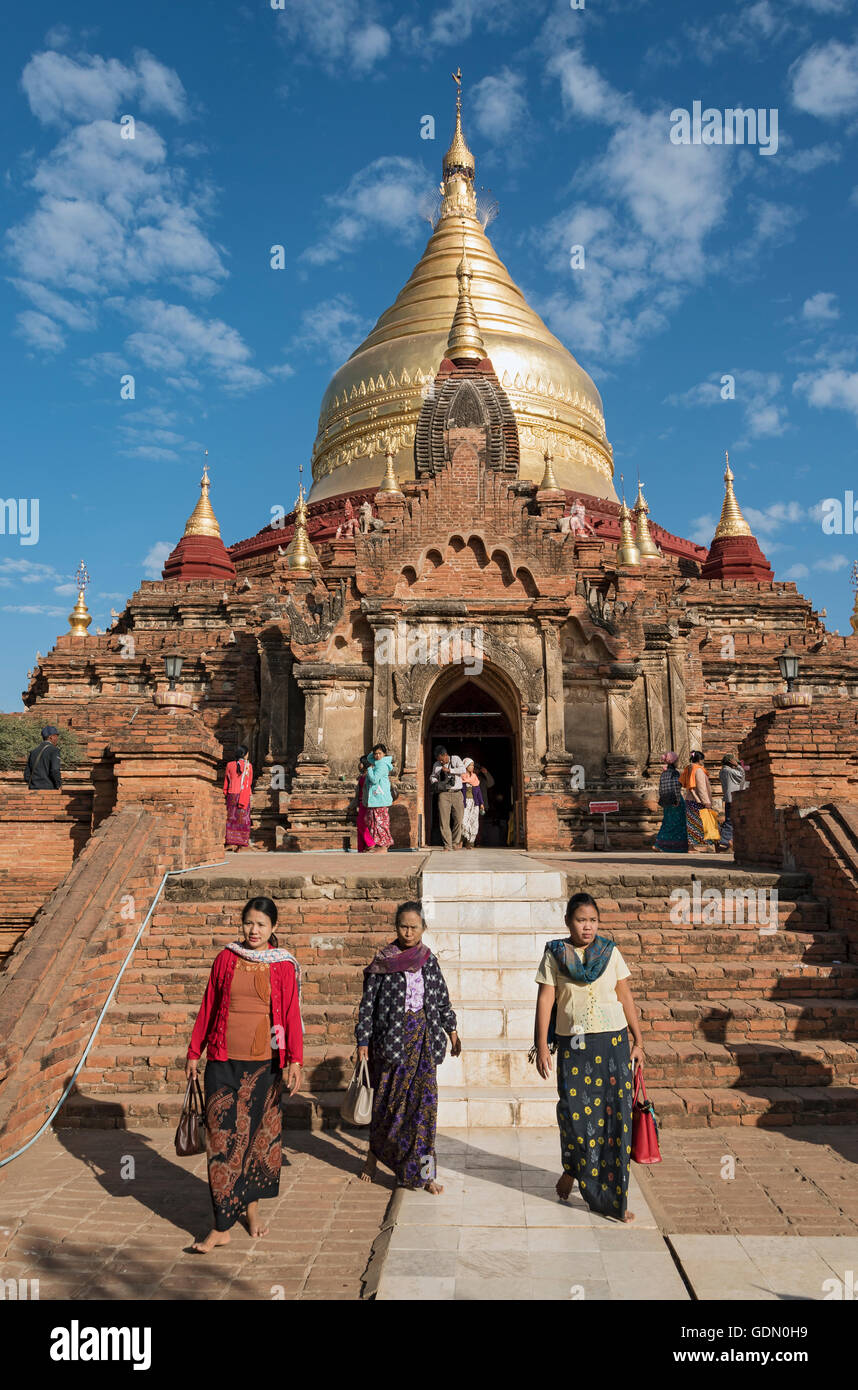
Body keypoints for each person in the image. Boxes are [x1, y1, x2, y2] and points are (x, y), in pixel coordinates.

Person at [185, 896, 303, 1253]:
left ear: (274, 929)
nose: (254, 930)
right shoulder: (226, 958)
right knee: (220, 1141)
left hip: (265, 1063)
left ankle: (251, 1211)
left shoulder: (282, 965)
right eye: (249, 923)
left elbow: (292, 1013)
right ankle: (221, 1225)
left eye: (261, 925)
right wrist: (195, 1051)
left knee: (256, 1141)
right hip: (223, 1060)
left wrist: (294, 1059)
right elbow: (209, 1005)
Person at [534, 892, 643, 1223]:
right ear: (568, 921)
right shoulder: (555, 954)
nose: (588, 926)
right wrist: (541, 1045)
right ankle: (575, 1167)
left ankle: (613, 1201)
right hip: (576, 1044)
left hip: (613, 1042)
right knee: (575, 1115)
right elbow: (546, 1000)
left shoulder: (610, 953)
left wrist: (638, 1039)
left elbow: (624, 994)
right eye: (581, 920)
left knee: (615, 1120)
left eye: (593, 920)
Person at [357, 901, 460, 1194]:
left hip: (424, 1042)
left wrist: (452, 1031)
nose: (408, 931)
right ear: (395, 926)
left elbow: (441, 999)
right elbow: (367, 1005)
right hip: (391, 1043)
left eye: (414, 927)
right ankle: (373, 1157)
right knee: (388, 1106)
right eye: (403, 926)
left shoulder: (428, 960)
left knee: (424, 1110)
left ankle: (425, 1174)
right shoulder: (383, 962)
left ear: (423, 928)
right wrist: (363, 1040)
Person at [681, 750, 720, 852]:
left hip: (690, 800)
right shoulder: (698, 770)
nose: (703, 761)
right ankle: (699, 847)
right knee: (702, 824)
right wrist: (706, 801)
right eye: (703, 759)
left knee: (692, 824)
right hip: (698, 801)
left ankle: (692, 847)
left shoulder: (689, 769)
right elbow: (701, 787)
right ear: (699, 759)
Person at [429, 745, 467, 850]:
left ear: (445, 755)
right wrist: (436, 782)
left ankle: (455, 843)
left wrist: (450, 771)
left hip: (457, 793)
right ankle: (447, 845)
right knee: (444, 820)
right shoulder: (436, 765)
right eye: (439, 760)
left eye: (441, 760)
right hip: (444, 794)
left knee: (458, 819)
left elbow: (463, 769)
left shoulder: (455, 759)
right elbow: (432, 776)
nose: (441, 762)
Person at [652, 752, 688, 853]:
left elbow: (661, 788)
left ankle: (659, 844)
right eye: (677, 760)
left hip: (666, 800)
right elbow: (676, 787)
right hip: (675, 800)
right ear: (674, 762)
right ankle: (677, 846)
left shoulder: (664, 773)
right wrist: (677, 800)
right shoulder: (674, 773)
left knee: (667, 822)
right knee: (679, 823)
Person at [363, 743, 394, 852]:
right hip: (375, 800)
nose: (377, 756)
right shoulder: (377, 763)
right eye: (375, 754)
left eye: (380, 753)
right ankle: (379, 844)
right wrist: (369, 759)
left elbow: (374, 779)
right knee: (373, 823)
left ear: (384, 754)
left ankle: (384, 846)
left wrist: (369, 768)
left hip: (380, 799)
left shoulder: (382, 765)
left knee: (381, 823)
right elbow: (369, 758)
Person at [223, 745, 253, 851]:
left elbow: (226, 781)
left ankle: (230, 842)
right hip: (244, 795)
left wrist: (225, 792)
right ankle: (240, 844)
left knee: (231, 818)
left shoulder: (229, 765)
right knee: (243, 819)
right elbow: (249, 782)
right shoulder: (249, 766)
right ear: (244, 754)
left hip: (232, 794)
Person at [717, 754, 746, 852]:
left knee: (729, 820)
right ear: (730, 761)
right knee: (731, 821)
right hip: (733, 798)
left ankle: (726, 841)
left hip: (728, 798)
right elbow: (742, 775)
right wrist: (738, 766)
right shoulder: (729, 771)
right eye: (734, 761)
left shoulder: (722, 771)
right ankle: (725, 842)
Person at [24, 725, 62, 790]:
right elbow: (55, 770)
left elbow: (27, 775)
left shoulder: (33, 752)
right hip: (49, 789)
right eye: (56, 736)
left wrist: (34, 784)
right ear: (51, 737)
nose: (57, 739)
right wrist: (58, 784)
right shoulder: (54, 750)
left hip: (33, 789)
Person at [460, 757, 485, 847]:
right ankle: (464, 837)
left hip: (475, 803)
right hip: (464, 803)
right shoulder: (460, 777)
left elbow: (479, 792)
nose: (472, 767)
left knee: (474, 821)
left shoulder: (474, 777)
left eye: (473, 765)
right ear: (465, 766)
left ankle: (470, 842)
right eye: (470, 765)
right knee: (464, 821)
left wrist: (481, 803)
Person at [355, 755, 374, 852]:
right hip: (361, 802)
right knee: (360, 824)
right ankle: (362, 847)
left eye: (362, 762)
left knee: (362, 823)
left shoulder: (369, 776)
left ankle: (370, 843)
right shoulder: (362, 776)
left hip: (367, 802)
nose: (360, 764)